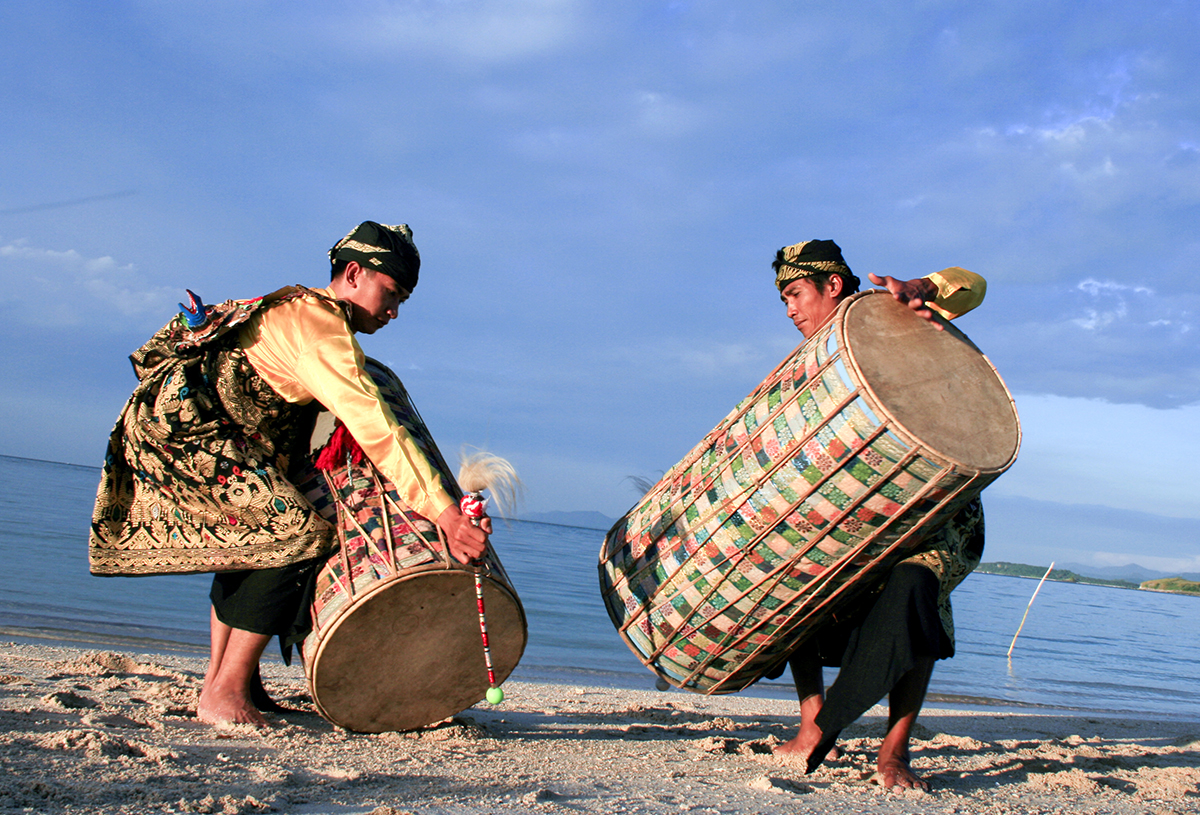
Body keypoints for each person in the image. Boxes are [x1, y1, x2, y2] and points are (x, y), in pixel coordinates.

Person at [89, 221, 490, 727]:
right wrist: (446, 514)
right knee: (299, 533)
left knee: (248, 539)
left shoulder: (309, 312)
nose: (393, 312)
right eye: (390, 294)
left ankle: (232, 682)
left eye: (402, 302)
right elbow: (377, 424)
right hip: (189, 434)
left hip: (211, 435)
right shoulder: (320, 330)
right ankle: (225, 690)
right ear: (352, 274)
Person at [766, 239, 987, 790]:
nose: (790, 309)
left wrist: (924, 289)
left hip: (936, 512)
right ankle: (814, 722)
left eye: (795, 294)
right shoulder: (810, 360)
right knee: (794, 578)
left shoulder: (888, 314)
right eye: (784, 299)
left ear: (832, 286)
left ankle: (894, 752)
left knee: (913, 590)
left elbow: (973, 283)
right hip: (855, 512)